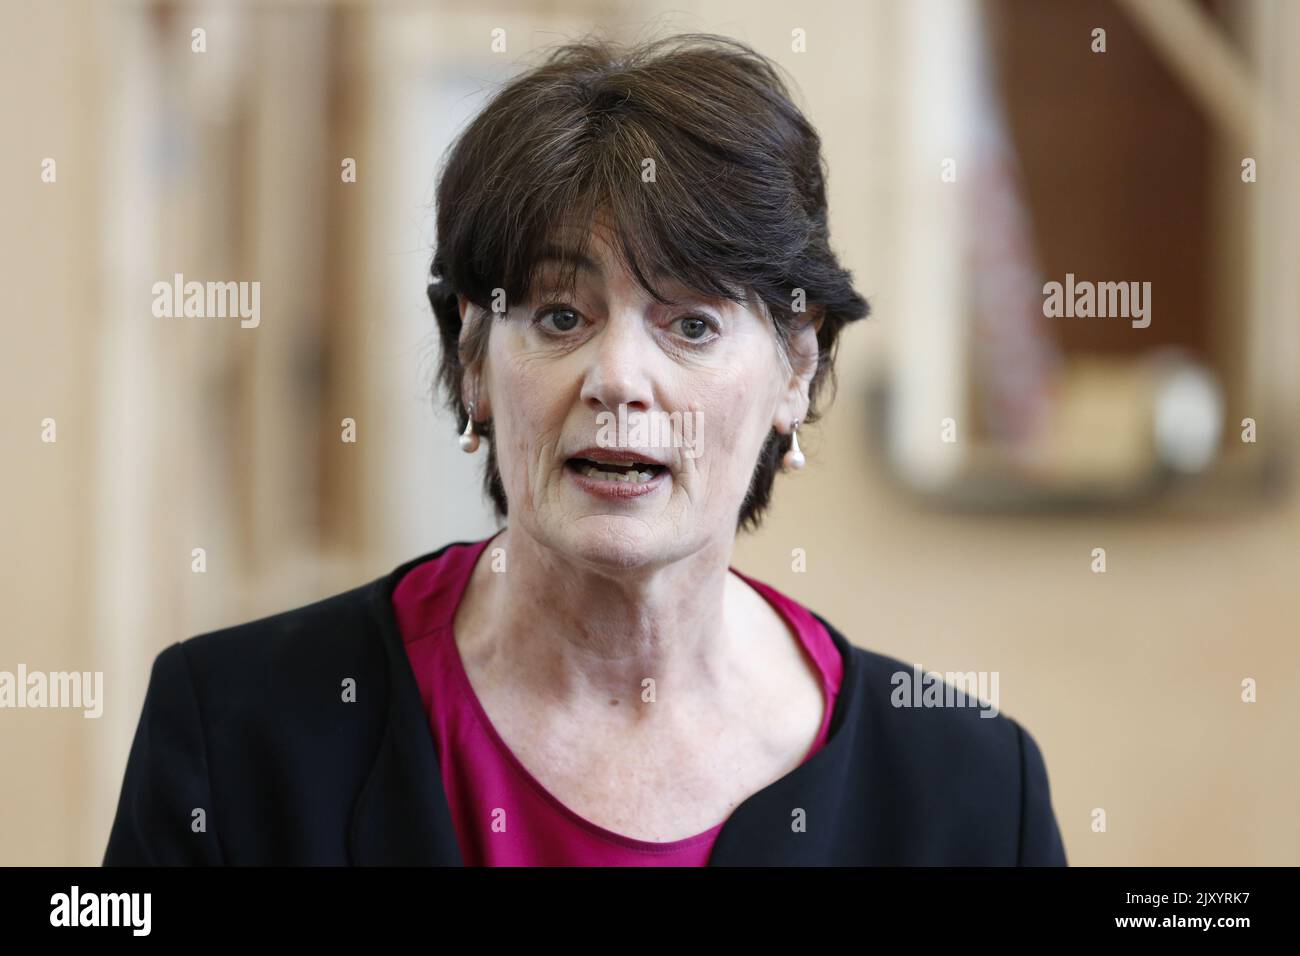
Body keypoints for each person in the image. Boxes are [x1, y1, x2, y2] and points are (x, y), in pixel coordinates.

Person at [104, 33, 1067, 866]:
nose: (616, 378)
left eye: (689, 324)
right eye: (560, 314)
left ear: (794, 369)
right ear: (473, 361)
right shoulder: (236, 731)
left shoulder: (972, 791)